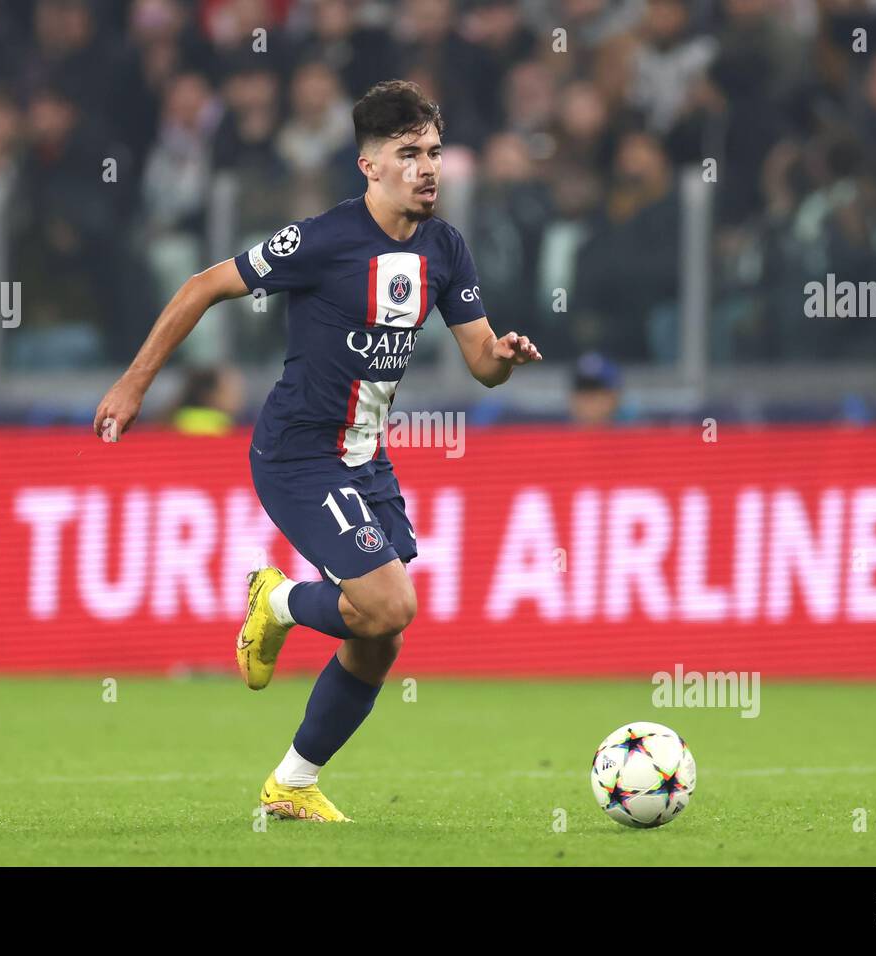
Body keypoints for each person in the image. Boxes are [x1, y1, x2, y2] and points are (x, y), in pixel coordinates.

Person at [93, 80, 542, 821]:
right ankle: (275, 601)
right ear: (369, 165)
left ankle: (292, 783)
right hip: (299, 454)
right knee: (389, 602)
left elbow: (481, 366)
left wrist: (505, 353)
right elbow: (202, 285)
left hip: (367, 460)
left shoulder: (446, 248)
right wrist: (134, 384)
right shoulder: (323, 240)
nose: (427, 167)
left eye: (433, 151)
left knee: (380, 639)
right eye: (408, 154)